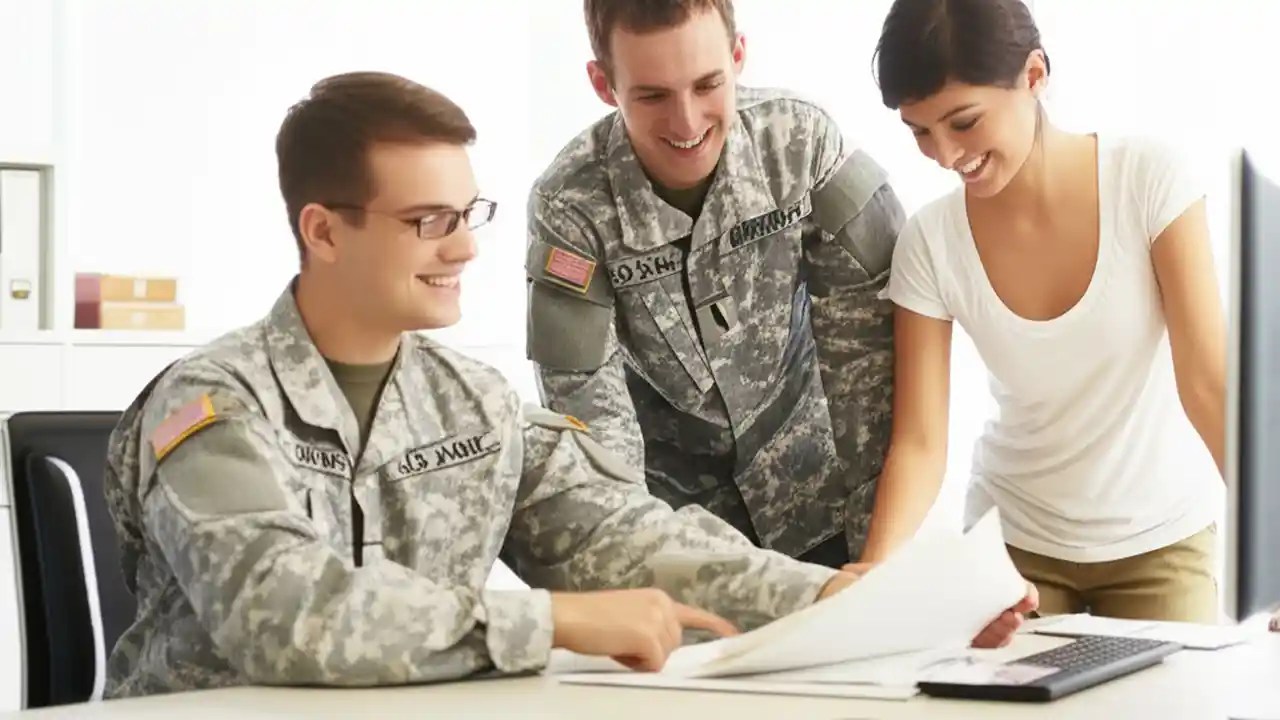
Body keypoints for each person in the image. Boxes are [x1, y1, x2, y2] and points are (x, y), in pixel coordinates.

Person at [100, 71, 1034, 699]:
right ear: (325, 230)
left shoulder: (478, 405)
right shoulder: (212, 408)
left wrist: (840, 599)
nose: (465, 247)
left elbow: (625, 539)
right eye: (429, 220)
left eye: (468, 214)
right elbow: (283, 611)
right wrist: (548, 622)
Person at [864, 0, 1227, 623]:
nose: (946, 156)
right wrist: (870, 576)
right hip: (1012, 547)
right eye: (920, 131)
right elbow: (921, 443)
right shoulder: (929, 242)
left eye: (964, 122)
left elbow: (1209, 385)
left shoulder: (1148, 179)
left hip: (1161, 540)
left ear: (1035, 76)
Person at [524, 0, 905, 569]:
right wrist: (647, 575)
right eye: (652, 96)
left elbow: (871, 371)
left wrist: (880, 560)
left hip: (824, 499)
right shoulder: (571, 208)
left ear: (738, 55)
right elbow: (593, 432)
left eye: (708, 85)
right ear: (604, 85)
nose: (687, 123)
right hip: (679, 536)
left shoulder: (801, 145)